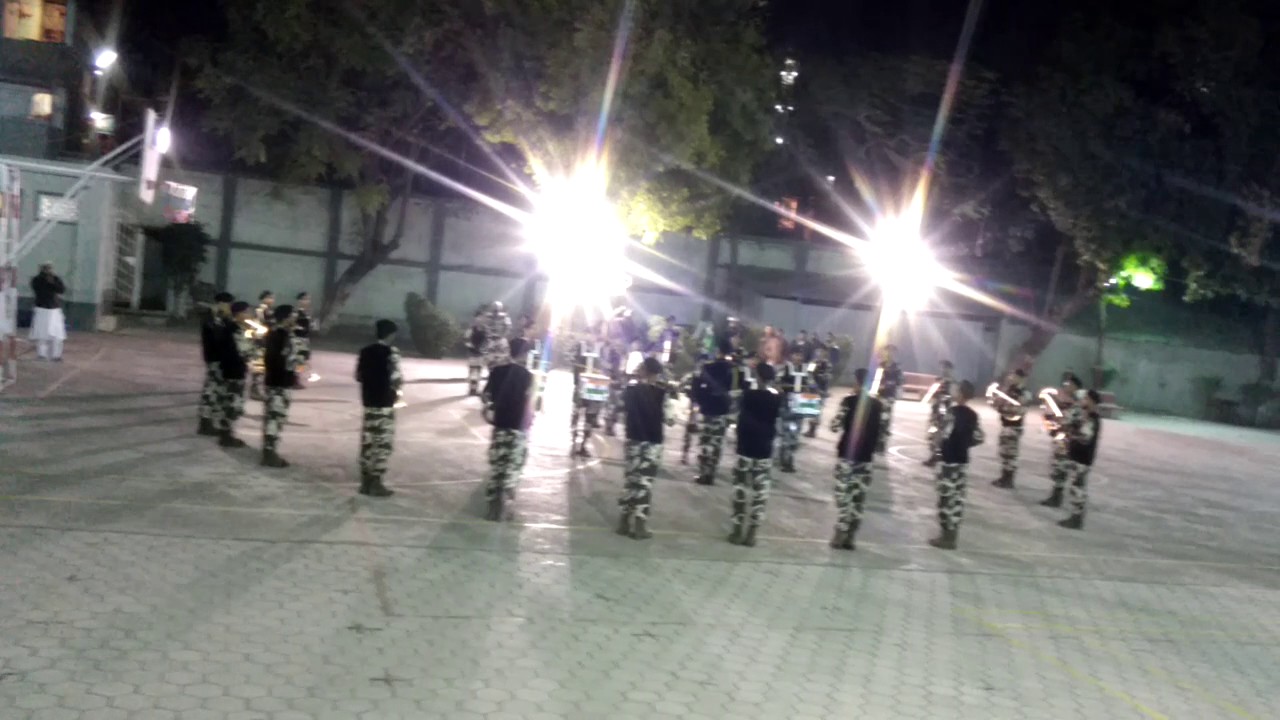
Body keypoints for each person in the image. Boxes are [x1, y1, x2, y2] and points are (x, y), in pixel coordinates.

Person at [617, 356, 674, 540]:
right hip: (652, 442)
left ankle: (623, 522)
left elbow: (619, 407)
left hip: (633, 440)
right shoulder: (662, 394)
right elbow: (670, 420)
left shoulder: (630, 390)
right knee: (644, 483)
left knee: (631, 480)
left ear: (642, 370)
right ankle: (639, 526)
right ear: (657, 374)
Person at [729, 363, 784, 547]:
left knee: (740, 489)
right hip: (764, 450)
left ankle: (737, 530)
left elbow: (735, 413)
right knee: (760, 492)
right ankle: (752, 532)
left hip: (745, 448)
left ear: (758, 376)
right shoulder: (777, 399)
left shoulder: (747, 395)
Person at [829, 368, 884, 550]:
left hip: (848, 455)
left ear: (858, 382)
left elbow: (835, 425)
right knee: (858, 497)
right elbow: (882, 434)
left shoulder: (848, 402)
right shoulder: (879, 405)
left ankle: (841, 531)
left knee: (843, 495)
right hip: (866, 458)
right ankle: (851, 536)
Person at [483, 337, 535, 520]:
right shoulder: (528, 376)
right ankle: (507, 508)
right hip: (518, 429)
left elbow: (485, 396)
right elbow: (531, 403)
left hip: (500, 426)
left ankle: (492, 507)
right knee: (512, 468)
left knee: (497, 467)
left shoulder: (496, 372)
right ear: (525, 354)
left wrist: (490, 407)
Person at [930, 380, 985, 550]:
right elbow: (979, 437)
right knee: (957, 498)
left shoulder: (951, 413)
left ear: (960, 393)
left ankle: (946, 537)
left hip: (949, 460)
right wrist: (965, 444)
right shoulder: (973, 415)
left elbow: (943, 434)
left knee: (946, 498)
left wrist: (937, 447)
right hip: (962, 461)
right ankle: (952, 535)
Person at [355, 319, 403, 498]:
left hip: (369, 402)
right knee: (382, 444)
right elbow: (397, 379)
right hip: (384, 404)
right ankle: (376, 481)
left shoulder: (365, 351)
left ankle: (365, 481)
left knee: (368, 442)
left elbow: (358, 376)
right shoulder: (392, 353)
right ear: (391, 334)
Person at [692, 339, 736, 485]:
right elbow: (736, 392)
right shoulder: (734, 370)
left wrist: (699, 403)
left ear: (718, 351)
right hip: (722, 411)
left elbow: (697, 387)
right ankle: (712, 473)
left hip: (707, 409)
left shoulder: (707, 367)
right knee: (717, 443)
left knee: (704, 442)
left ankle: (703, 473)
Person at [1058, 389, 1102, 529]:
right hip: (1077, 457)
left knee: (1078, 488)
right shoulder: (1085, 416)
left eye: (1085, 399)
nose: (1083, 401)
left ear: (1092, 401)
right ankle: (1075, 516)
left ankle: (1077, 518)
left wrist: (1071, 433)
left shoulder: (1092, 419)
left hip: (1083, 459)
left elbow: (1084, 438)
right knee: (1075, 487)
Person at [261, 305, 298, 468]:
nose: (295, 318)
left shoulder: (285, 334)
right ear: (286, 317)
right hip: (278, 383)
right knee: (274, 418)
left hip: (283, 382)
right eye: (293, 315)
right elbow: (272, 360)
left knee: (277, 417)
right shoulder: (277, 334)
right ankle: (269, 454)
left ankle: (270, 450)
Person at [214, 301, 256, 448]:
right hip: (233, 371)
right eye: (246, 312)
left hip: (233, 369)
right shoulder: (234, 329)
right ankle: (226, 435)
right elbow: (244, 351)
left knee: (231, 402)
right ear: (239, 314)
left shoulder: (236, 328)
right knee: (233, 404)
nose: (249, 315)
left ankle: (226, 433)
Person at [1041, 373, 1084, 507]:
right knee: (1057, 467)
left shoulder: (1078, 405)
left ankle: (1057, 497)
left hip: (1068, 442)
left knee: (1062, 468)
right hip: (1060, 439)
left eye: (1069, 384)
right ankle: (1055, 495)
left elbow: (1069, 421)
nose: (1066, 386)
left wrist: (1058, 419)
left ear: (1075, 387)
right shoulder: (1066, 402)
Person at [197, 292, 235, 436]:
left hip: (220, 358)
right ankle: (205, 422)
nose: (229, 307)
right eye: (227, 304)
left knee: (215, 389)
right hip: (214, 358)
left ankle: (208, 420)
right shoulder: (211, 318)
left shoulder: (221, 317)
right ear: (221, 303)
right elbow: (216, 336)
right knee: (211, 389)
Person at [991, 369, 1032, 489]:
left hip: (1014, 426)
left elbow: (1020, 410)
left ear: (1021, 378)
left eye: (1014, 376)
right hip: (1006, 425)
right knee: (1004, 452)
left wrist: (1005, 408)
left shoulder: (1024, 393)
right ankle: (1004, 476)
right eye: (1011, 376)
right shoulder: (1009, 390)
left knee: (1011, 454)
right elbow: (998, 404)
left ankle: (1009, 479)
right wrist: (998, 403)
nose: (1011, 378)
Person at [569, 329, 607, 458]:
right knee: (576, 415)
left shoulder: (600, 350)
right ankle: (574, 443)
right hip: (581, 386)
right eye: (589, 334)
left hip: (595, 388)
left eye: (594, 334)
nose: (591, 337)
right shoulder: (580, 347)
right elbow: (574, 365)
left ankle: (583, 445)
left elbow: (604, 368)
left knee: (590, 418)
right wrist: (577, 381)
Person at [775, 349, 811, 473]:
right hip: (786, 404)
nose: (798, 358)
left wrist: (809, 400)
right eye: (796, 355)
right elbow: (776, 383)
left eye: (800, 355)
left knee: (795, 433)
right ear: (791, 355)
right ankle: (785, 460)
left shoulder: (806, 370)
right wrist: (781, 393)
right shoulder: (785, 368)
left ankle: (788, 458)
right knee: (786, 433)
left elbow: (811, 386)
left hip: (800, 404)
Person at [29, 262, 66, 361]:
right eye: (46, 268)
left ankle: (56, 355)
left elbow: (62, 290)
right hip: (42, 309)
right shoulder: (37, 279)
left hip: (54, 309)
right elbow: (37, 289)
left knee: (57, 334)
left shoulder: (55, 279)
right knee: (41, 333)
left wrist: (52, 282)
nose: (48, 270)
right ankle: (42, 354)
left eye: (50, 268)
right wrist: (47, 281)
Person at [922, 360, 956, 467]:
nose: (943, 370)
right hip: (936, 412)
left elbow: (952, 397)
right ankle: (934, 455)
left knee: (940, 436)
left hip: (944, 413)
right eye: (942, 367)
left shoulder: (951, 383)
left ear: (950, 370)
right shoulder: (938, 380)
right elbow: (933, 394)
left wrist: (944, 400)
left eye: (945, 368)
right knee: (933, 435)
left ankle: (937, 457)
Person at [874, 344, 904, 453]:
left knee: (885, 419)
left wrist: (892, 385)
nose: (889, 353)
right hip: (880, 395)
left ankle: (882, 443)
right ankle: (876, 441)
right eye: (887, 351)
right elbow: (876, 379)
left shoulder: (897, 367)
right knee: (877, 419)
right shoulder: (881, 365)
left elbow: (900, 381)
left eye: (891, 351)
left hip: (889, 396)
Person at [804, 346, 833, 438]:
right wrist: (813, 385)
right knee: (811, 410)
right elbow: (809, 375)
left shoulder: (827, 364)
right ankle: (810, 429)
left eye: (822, 352)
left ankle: (813, 430)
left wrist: (820, 376)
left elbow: (827, 377)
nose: (820, 354)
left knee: (817, 411)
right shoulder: (813, 363)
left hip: (822, 391)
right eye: (818, 351)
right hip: (813, 390)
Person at [482, 301, 513, 369]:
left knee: (503, 358)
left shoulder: (504, 317)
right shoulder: (488, 317)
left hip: (501, 340)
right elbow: (485, 326)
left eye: (497, 308)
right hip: (491, 339)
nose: (495, 311)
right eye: (494, 309)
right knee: (489, 358)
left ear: (500, 308)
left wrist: (503, 336)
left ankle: (501, 370)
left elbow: (508, 327)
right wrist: (489, 335)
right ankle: (491, 370)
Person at [0, 265, 17, 386]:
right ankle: (7, 374)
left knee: (10, 345)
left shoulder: (9, 292)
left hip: (6, 322)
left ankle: (11, 373)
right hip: (5, 322)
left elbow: (14, 281)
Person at [293, 292, 314, 388]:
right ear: (299, 301)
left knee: (303, 360)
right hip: (298, 338)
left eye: (308, 299)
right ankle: (294, 379)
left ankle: (297, 378)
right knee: (298, 359)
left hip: (305, 338)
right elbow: (294, 325)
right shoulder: (296, 313)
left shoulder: (307, 313)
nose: (307, 301)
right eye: (304, 299)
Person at [466, 305, 487, 396]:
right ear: (475, 318)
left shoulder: (485, 330)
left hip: (481, 353)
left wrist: (484, 349)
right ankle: (471, 389)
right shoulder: (472, 329)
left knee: (479, 371)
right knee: (472, 370)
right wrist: (471, 346)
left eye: (482, 317)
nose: (481, 319)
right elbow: (466, 339)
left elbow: (487, 340)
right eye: (479, 317)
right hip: (473, 352)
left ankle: (475, 389)